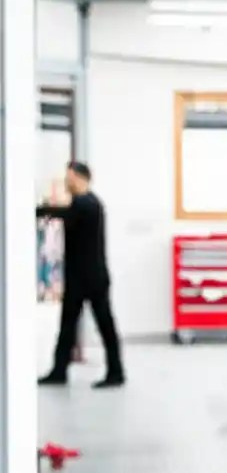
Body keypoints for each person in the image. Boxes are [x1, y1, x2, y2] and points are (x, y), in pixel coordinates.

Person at [37, 161, 126, 388]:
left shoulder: (86, 204)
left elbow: (68, 217)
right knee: (70, 324)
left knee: (103, 325)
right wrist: (46, 211)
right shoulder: (88, 203)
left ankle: (115, 372)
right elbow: (65, 214)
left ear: (80, 177)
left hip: (90, 278)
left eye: (69, 177)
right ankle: (59, 370)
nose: (67, 182)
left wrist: (45, 211)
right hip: (84, 276)